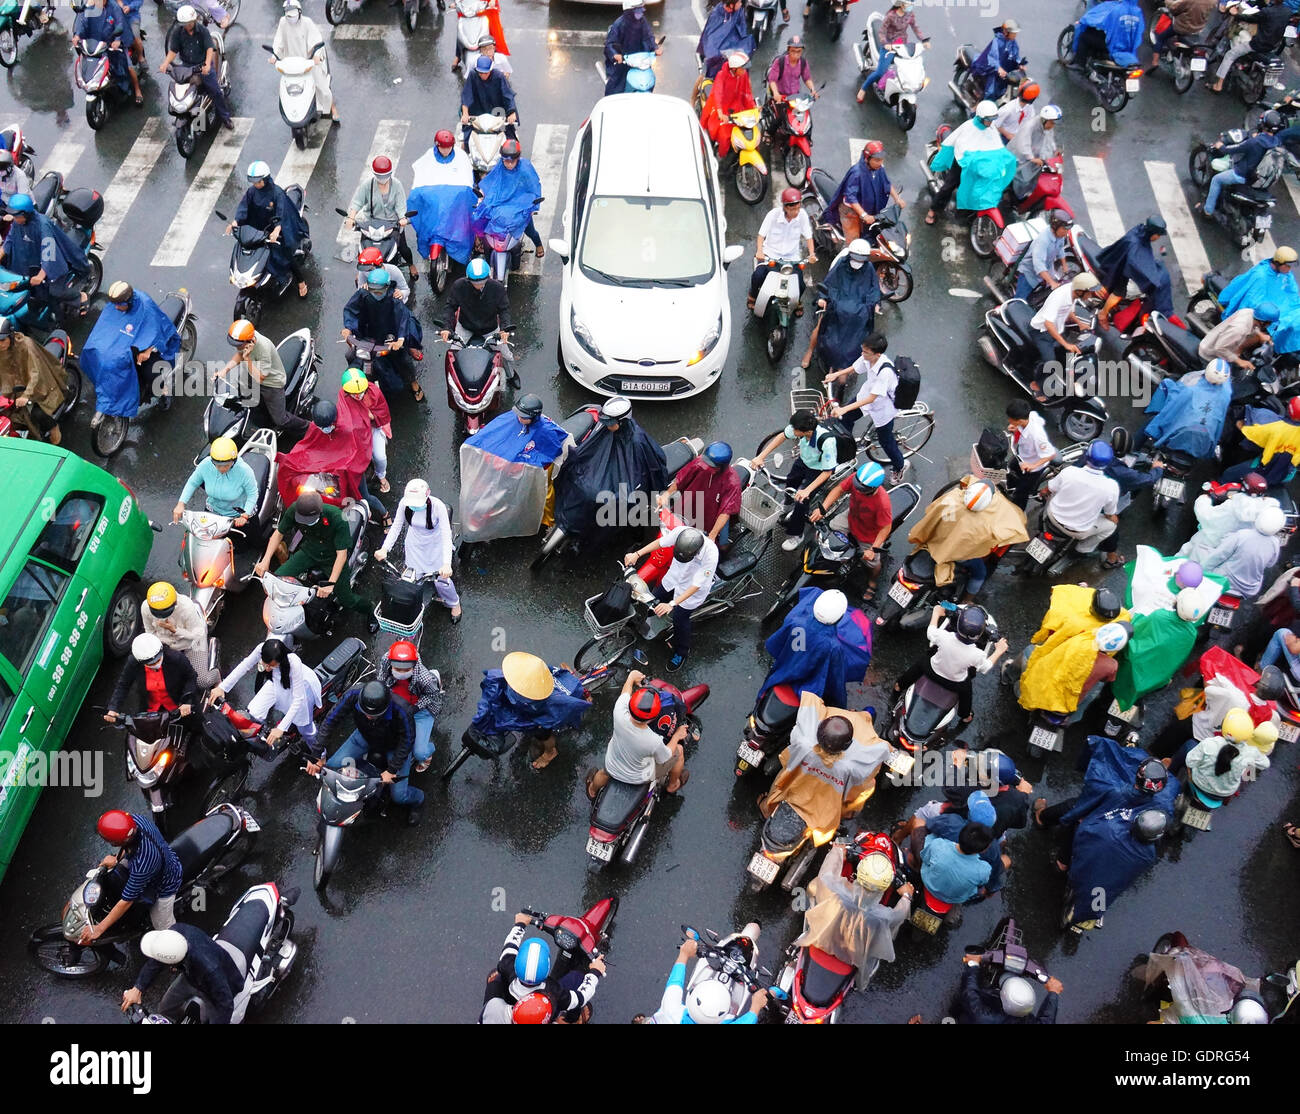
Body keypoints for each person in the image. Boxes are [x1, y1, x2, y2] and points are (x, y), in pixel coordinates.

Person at [759, 693, 890, 834]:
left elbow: (787, 757)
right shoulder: (852, 767)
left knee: (776, 788)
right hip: (822, 814)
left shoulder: (804, 743)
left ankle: (765, 808)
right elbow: (858, 788)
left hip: (792, 792)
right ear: (847, 745)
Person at [793, 837, 913, 991]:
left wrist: (838, 851)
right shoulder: (882, 917)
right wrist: (906, 896)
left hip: (821, 941)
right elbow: (900, 914)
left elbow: (827, 873)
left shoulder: (834, 891)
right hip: (852, 957)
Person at [253, 490, 377, 633]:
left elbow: (341, 555)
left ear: (319, 512)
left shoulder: (337, 518)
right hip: (309, 552)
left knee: (347, 600)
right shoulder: (295, 509)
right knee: (278, 579)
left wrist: (330, 584)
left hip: (332, 559)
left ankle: (370, 610)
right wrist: (265, 560)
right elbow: (278, 534)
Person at [458, 394, 574, 543]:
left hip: (540, 468)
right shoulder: (513, 418)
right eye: (518, 414)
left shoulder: (546, 431)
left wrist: (526, 461)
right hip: (513, 466)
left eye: (524, 417)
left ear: (534, 416)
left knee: (545, 492)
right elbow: (494, 433)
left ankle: (548, 522)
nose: (519, 419)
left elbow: (551, 452)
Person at [307, 680, 423, 822]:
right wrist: (316, 755)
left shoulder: (403, 710)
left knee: (399, 796)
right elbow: (331, 720)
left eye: (373, 715)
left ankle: (418, 801)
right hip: (364, 737)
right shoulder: (352, 694)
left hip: (394, 747)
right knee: (331, 768)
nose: (368, 717)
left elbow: (407, 740)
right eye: (365, 712)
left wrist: (392, 770)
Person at [903, 478, 1029, 601]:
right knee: (980, 574)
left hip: (934, 543)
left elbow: (932, 516)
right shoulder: (985, 524)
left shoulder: (951, 499)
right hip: (959, 557)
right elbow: (982, 545)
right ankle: (967, 600)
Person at [80, 281, 181, 432]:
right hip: (128, 344)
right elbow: (105, 327)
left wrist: (147, 352)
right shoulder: (116, 306)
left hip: (149, 348)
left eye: (119, 305)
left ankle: (164, 392)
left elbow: (158, 332)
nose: (116, 308)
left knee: (151, 374)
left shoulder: (146, 307)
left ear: (128, 301)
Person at [467, 651, 592, 771]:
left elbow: (558, 713)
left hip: (538, 716)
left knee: (543, 734)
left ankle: (550, 752)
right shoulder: (519, 679)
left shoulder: (550, 700)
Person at [893, 604, 1010, 726]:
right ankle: (965, 716)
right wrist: (999, 650)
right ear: (979, 634)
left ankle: (899, 686)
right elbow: (985, 667)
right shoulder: (977, 654)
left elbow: (930, 633)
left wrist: (936, 613)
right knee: (966, 692)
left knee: (920, 664)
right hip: (955, 683)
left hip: (931, 670)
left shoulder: (944, 636)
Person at [480, 913, 606, 1024]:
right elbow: (580, 998)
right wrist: (595, 972)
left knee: (496, 983)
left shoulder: (494, 1008)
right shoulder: (553, 991)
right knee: (576, 977)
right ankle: (571, 1020)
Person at [80, 810, 183, 946]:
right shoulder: (134, 821)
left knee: (163, 928)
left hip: (165, 883)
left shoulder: (144, 863)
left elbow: (127, 900)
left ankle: (176, 949)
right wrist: (117, 859)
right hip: (158, 856)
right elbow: (126, 844)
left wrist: (99, 928)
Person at [623, 526, 718, 671]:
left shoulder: (711, 554)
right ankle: (653, 627)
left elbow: (696, 585)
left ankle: (682, 652)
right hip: (672, 579)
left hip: (690, 592)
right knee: (652, 600)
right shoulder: (682, 532)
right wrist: (637, 554)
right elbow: (660, 542)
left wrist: (672, 604)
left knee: (680, 619)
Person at [758, 587, 873, 707]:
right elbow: (835, 681)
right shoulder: (834, 647)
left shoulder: (795, 622)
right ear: (839, 617)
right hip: (810, 691)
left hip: (781, 676)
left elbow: (775, 646)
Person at [208, 637, 322, 753]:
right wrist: (222, 687)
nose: (267, 668)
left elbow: (298, 699)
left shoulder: (294, 662)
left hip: (302, 687)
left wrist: (281, 728)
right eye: (265, 664)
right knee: (253, 712)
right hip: (277, 683)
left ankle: (318, 753)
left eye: (271, 666)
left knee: (304, 727)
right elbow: (245, 666)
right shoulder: (261, 649)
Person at [586, 672, 689, 800]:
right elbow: (665, 756)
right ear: (653, 717)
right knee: (679, 750)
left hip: (612, 765)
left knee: (603, 772)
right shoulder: (653, 740)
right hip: (638, 777)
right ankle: (673, 785)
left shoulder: (619, 713)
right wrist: (677, 736)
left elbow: (625, 693)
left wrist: (630, 678)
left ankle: (592, 790)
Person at [751, 407, 840, 552]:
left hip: (818, 470)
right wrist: (761, 456)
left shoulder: (826, 441)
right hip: (804, 460)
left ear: (805, 431)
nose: (792, 430)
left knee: (801, 501)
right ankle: (787, 503)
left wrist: (807, 490)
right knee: (791, 481)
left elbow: (827, 471)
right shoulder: (802, 430)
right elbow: (782, 436)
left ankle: (797, 534)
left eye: (794, 429)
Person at [123, 923, 247, 1024]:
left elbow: (225, 1003)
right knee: (165, 1009)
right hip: (190, 977)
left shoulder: (210, 970)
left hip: (213, 990)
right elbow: (157, 960)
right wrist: (138, 988)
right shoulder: (174, 934)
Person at [1064, 806, 1165, 930]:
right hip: (1104, 888)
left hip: (1084, 869)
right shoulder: (1148, 855)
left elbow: (1085, 834)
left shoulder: (1110, 829)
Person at [376, 477, 462, 623]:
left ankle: (454, 603)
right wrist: (384, 548)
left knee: (442, 581)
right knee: (413, 580)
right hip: (415, 546)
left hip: (435, 546)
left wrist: (446, 564)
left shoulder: (438, 506)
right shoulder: (405, 503)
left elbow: (446, 535)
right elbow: (396, 526)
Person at [826, 332, 906, 483]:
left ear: (877, 354)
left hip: (883, 408)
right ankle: (847, 452)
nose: (862, 354)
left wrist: (844, 408)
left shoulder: (885, 372)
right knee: (844, 421)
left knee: (886, 442)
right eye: (862, 350)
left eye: (866, 352)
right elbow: (855, 368)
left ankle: (899, 466)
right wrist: (836, 375)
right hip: (867, 395)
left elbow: (872, 399)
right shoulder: (867, 357)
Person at [810, 461, 894, 600]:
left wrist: (873, 549)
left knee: (873, 563)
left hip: (868, 534)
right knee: (830, 528)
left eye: (862, 489)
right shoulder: (857, 478)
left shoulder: (882, 503)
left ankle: (872, 583)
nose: (858, 490)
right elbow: (839, 489)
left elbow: (886, 527)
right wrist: (823, 508)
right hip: (851, 517)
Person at [1, 193, 92, 320]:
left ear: (25, 213)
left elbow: (48, 253)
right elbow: (9, 241)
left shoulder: (42, 225)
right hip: (29, 260)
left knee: (54, 292)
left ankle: (80, 297)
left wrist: (41, 275)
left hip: (51, 262)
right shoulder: (18, 222)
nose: (15, 219)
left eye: (17, 216)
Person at [227, 161, 310, 299]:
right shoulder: (252, 192)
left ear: (265, 179)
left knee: (285, 254)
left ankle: (301, 282)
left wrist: (277, 229)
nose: (256, 184)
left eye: (258, 181)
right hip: (258, 228)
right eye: (253, 182)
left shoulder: (276, 193)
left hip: (279, 230)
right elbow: (244, 207)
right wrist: (236, 221)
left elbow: (281, 213)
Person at [924, 101, 1014, 227]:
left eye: (993, 119)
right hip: (962, 164)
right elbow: (962, 148)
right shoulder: (969, 127)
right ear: (981, 117)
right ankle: (933, 210)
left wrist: (1003, 160)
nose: (991, 122)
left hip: (980, 168)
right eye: (989, 119)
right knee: (948, 187)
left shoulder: (991, 128)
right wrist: (972, 160)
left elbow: (997, 147)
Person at [407, 130, 479, 285]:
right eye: (442, 147)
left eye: (448, 147)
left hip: (455, 202)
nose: (445, 150)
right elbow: (421, 178)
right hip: (435, 202)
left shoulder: (461, 156)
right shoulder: (429, 156)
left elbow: (466, 179)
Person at [215, 318, 309, 437]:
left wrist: (247, 358)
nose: (237, 347)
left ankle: (307, 427)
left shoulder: (263, 348)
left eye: (239, 345)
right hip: (250, 375)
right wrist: (225, 370)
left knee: (280, 419)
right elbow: (239, 355)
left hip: (270, 383)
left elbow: (260, 378)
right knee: (242, 399)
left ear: (249, 341)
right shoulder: (244, 341)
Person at [341, 267, 424, 402]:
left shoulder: (394, 299)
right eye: (373, 289)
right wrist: (348, 328)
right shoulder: (363, 294)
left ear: (387, 286)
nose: (377, 293)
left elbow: (402, 319)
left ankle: (414, 383)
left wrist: (400, 340)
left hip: (389, 337)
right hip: (367, 336)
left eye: (380, 290)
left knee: (403, 360)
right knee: (350, 355)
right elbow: (350, 310)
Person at [801, 238, 882, 374]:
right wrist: (823, 298)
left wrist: (876, 304)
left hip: (857, 313)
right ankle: (809, 350)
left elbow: (873, 289)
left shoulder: (868, 269)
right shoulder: (841, 264)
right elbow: (830, 283)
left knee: (860, 337)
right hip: (837, 308)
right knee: (820, 327)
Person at [646, 934, 768, 1024]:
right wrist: (684, 954)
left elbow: (674, 984)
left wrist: (755, 1006)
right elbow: (674, 983)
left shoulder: (671, 1013)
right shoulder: (670, 1009)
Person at [1041, 439, 1125, 568]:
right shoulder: (1111, 487)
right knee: (1111, 526)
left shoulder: (1070, 472)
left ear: (1087, 456)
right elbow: (1109, 514)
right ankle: (1082, 549)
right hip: (1077, 531)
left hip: (1051, 517)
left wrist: (1044, 493)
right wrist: (1114, 519)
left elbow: (1047, 490)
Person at [1023, 271, 1105, 401]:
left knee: (1066, 355)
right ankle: (1038, 385)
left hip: (1055, 329)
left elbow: (1068, 311)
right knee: (1050, 361)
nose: (1091, 295)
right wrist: (1066, 343)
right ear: (1080, 291)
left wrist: (1080, 324)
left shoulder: (1072, 293)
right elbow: (1048, 324)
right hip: (1040, 331)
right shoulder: (1061, 296)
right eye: (1089, 292)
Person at [1139, 358, 1233, 458]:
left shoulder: (1190, 390)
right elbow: (1220, 421)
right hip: (1204, 442)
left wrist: (1155, 428)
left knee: (1152, 422)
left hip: (1178, 434)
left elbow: (1170, 412)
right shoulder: (1226, 394)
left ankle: (1132, 450)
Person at [160, 5, 232, 130]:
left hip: (203, 64)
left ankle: (225, 117)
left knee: (215, 91)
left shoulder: (202, 31)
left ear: (194, 20)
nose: (186, 25)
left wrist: (206, 64)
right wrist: (165, 63)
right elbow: (173, 51)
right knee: (181, 90)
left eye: (188, 23)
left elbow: (210, 48)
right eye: (184, 23)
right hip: (187, 66)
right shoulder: (178, 32)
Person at [657, 441, 743, 545]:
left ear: (721, 467)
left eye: (711, 465)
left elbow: (725, 512)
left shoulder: (732, 483)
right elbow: (681, 478)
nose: (705, 466)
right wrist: (666, 494)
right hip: (688, 506)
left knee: (722, 542)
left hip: (710, 517)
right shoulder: (700, 463)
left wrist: (712, 535)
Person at [1094, 217, 1174, 328]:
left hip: (1120, 259)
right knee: (1118, 294)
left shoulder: (1140, 231)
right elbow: (1135, 262)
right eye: (1158, 234)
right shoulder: (1135, 244)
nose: (1158, 237)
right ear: (1153, 233)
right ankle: (1103, 314)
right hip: (1120, 267)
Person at [472, 138, 544, 260]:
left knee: (529, 229)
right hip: (500, 203)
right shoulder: (499, 167)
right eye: (506, 161)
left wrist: (533, 206)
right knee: (481, 218)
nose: (509, 164)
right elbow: (491, 182)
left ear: (517, 159)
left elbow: (534, 186)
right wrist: (482, 193)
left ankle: (538, 244)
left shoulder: (525, 168)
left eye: (512, 161)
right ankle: (480, 242)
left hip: (520, 205)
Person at [346, 157, 416, 283]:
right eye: (379, 175)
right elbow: (357, 202)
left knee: (403, 248)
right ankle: (361, 271)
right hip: (371, 223)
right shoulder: (368, 185)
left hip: (392, 223)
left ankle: (411, 265)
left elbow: (401, 205)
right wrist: (351, 218)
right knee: (363, 249)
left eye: (385, 175)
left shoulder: (397, 185)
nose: (382, 178)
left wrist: (402, 218)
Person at [1201, 114, 1283, 220]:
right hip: (1262, 179)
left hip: (1242, 175)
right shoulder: (1277, 142)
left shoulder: (1255, 142)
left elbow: (1230, 150)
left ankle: (1207, 211)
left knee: (1216, 179)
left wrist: (1220, 146)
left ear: (1263, 124)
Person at [0, 315, 67, 442]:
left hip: (37, 384)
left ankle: (53, 427)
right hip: (14, 385)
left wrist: (26, 395)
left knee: (37, 413)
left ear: (11, 335)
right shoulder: (2, 349)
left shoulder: (26, 346)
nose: (0, 344)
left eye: (3, 340)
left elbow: (35, 372)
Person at [106, 633, 199, 725]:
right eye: (150, 664)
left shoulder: (177, 658)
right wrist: (113, 708)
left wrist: (187, 702)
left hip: (178, 707)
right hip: (151, 711)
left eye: (158, 659)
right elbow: (123, 685)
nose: (155, 664)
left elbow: (191, 677)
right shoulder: (133, 663)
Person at [826, 141, 906, 247]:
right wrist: (864, 214)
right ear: (867, 158)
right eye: (877, 160)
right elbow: (851, 197)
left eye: (881, 160)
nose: (880, 163)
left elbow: (886, 183)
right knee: (854, 244)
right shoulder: (857, 173)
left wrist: (897, 199)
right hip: (851, 212)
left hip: (869, 211)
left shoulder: (879, 169)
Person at [380, 640, 443, 774]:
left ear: (414, 666)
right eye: (397, 669)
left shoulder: (424, 678)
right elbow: (381, 678)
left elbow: (432, 697)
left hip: (421, 710)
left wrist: (415, 708)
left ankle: (428, 753)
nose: (401, 672)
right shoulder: (386, 659)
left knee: (419, 753)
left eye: (406, 670)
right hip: (396, 698)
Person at [141, 581, 219, 689]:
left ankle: (218, 679)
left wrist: (175, 630)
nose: (161, 618)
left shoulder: (186, 608)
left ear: (175, 603)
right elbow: (150, 632)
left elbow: (196, 635)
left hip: (191, 644)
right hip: (166, 645)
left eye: (165, 612)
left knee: (202, 681)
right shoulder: (145, 608)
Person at [749, 187, 816, 311]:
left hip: (792, 258)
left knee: (801, 285)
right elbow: (761, 236)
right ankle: (752, 296)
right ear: (785, 207)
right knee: (758, 276)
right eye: (793, 209)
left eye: (798, 208)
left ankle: (797, 301)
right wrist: (759, 251)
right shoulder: (773, 215)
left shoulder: (802, 216)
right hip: (770, 254)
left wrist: (812, 254)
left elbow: (809, 237)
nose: (796, 212)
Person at [272, 0, 337, 124]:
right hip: (291, 64)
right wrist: (274, 55)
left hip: (309, 62)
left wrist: (316, 56)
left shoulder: (307, 23)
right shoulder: (283, 23)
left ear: (299, 12)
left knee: (323, 88)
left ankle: (332, 108)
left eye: (293, 14)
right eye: (288, 15)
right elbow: (278, 41)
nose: (291, 18)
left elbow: (317, 40)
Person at [950, 952, 1062, 1024]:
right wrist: (1053, 993)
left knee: (962, 1010)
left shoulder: (983, 1017)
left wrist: (973, 965)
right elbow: (1047, 1020)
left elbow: (969, 992)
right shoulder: (1025, 1019)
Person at [1202, 504, 1286, 598]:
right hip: (1249, 590)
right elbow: (1270, 564)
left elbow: (1219, 555)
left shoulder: (1242, 535)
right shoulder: (1275, 543)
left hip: (1224, 581)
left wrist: (1202, 570)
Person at [173, 437, 257, 530]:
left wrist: (245, 515)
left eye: (226, 465)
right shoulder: (205, 465)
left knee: (253, 543)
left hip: (239, 515)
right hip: (214, 510)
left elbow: (252, 494)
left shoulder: (244, 471)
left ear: (234, 461)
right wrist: (181, 503)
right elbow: (192, 483)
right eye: (217, 465)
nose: (222, 469)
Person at [1211, 0, 1294, 92]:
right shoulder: (1288, 12)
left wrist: (1235, 14)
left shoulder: (1267, 12)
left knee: (1230, 55)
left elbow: (1249, 18)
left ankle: (1218, 85)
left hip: (1257, 45)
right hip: (1273, 46)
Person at [72, 0, 143, 105]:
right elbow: (83, 21)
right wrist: (77, 35)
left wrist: (117, 39)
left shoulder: (114, 7)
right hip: (98, 42)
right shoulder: (90, 6)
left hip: (114, 42)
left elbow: (119, 23)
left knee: (128, 66)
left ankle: (138, 91)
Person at [857, 0, 930, 102]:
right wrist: (886, 44)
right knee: (880, 72)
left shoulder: (910, 15)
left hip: (902, 47)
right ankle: (863, 89)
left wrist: (924, 40)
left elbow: (915, 28)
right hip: (889, 46)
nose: (910, 6)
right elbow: (882, 32)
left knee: (910, 67)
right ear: (901, 4)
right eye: (908, 4)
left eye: (911, 4)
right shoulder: (891, 16)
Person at [338, 366, 392, 499]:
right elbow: (343, 415)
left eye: (361, 392)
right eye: (353, 393)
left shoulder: (374, 392)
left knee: (380, 457)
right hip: (356, 432)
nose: (357, 395)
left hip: (374, 428)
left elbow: (383, 413)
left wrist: (368, 415)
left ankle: (381, 475)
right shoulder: (343, 395)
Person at [438, 257, 512, 347]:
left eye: (482, 281)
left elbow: (504, 310)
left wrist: (504, 330)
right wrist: (446, 328)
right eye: (474, 282)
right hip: (465, 327)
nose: (478, 285)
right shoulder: (459, 286)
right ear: (467, 278)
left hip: (490, 329)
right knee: (454, 352)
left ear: (488, 277)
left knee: (507, 355)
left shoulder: (497, 288)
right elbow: (450, 307)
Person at [701, 51, 756, 160]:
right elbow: (718, 94)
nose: (745, 71)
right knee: (725, 137)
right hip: (720, 111)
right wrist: (720, 112)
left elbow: (747, 94)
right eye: (742, 68)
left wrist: (754, 108)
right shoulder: (721, 76)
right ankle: (720, 160)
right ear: (734, 69)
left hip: (737, 112)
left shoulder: (743, 75)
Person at [1005, 399, 1058, 509]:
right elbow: (1040, 420)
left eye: (1011, 419)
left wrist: (1032, 466)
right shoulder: (1030, 416)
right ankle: (1010, 488)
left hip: (1033, 467)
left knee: (1021, 495)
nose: (1009, 420)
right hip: (1022, 457)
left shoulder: (1037, 435)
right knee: (1010, 469)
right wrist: (1016, 428)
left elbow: (1050, 454)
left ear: (1019, 420)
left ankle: (1018, 514)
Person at [1218, 246, 1299, 318]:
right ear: (1278, 263)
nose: (1290, 269)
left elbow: (1292, 290)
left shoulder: (1285, 273)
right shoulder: (1261, 275)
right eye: (1288, 266)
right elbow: (1251, 302)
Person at [1070, 0, 1145, 72]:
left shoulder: (1117, 9)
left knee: (1084, 37)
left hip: (1112, 46)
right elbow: (1139, 31)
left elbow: (1101, 22)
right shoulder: (1138, 12)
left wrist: (1083, 21)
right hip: (1128, 48)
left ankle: (1080, 64)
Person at [604, 1, 660, 97]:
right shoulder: (618, 25)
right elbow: (609, 44)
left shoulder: (642, 21)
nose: (640, 12)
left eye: (641, 9)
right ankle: (610, 103)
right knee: (616, 86)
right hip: (624, 60)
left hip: (640, 59)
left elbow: (648, 36)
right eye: (637, 10)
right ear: (629, 10)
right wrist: (615, 55)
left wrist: (655, 47)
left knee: (649, 78)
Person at [460, 53, 518, 146]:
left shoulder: (499, 76)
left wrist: (511, 113)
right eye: (480, 72)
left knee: (511, 140)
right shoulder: (472, 75)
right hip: (478, 110)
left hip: (497, 110)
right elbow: (466, 95)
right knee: (466, 140)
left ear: (491, 69)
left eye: (485, 73)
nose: (483, 75)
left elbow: (507, 95)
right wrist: (465, 114)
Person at [1199, 300, 1276, 369]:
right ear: (1263, 322)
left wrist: (1260, 334)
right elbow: (1219, 348)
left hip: (1220, 344)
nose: (1269, 325)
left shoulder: (1249, 312)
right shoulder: (1240, 329)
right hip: (1209, 356)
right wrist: (1239, 361)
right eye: (1269, 323)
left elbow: (1254, 326)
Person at [1015, 211, 1072, 301]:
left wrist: (1065, 266)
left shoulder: (1060, 236)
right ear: (1055, 227)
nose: (1066, 232)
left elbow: (1060, 249)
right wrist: (1052, 282)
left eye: (1067, 229)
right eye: (1064, 229)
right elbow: (1038, 265)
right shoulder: (1043, 240)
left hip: (1047, 269)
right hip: (1030, 272)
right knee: (1019, 301)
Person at [1008, 105, 1062, 201]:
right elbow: (1023, 145)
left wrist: (1054, 150)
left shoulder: (1046, 127)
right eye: (1052, 123)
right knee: (1022, 179)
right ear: (1045, 120)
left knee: (1035, 177)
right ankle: (1015, 198)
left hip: (1033, 156)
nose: (1052, 126)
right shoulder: (1030, 126)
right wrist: (1031, 158)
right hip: (1020, 157)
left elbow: (1050, 139)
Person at [695, 0, 754, 80]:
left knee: (746, 53)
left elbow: (742, 30)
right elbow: (711, 37)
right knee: (716, 57)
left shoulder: (739, 11)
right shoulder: (717, 14)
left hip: (734, 41)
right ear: (731, 5)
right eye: (739, 2)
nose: (741, 4)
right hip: (718, 46)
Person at [969, 19, 1023, 101]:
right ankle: (983, 109)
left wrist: (1019, 64)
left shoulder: (1012, 42)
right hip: (991, 69)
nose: (1015, 35)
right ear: (1006, 32)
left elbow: (1015, 54)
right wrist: (998, 68)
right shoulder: (997, 41)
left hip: (1004, 70)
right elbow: (992, 57)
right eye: (1013, 33)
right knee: (991, 92)